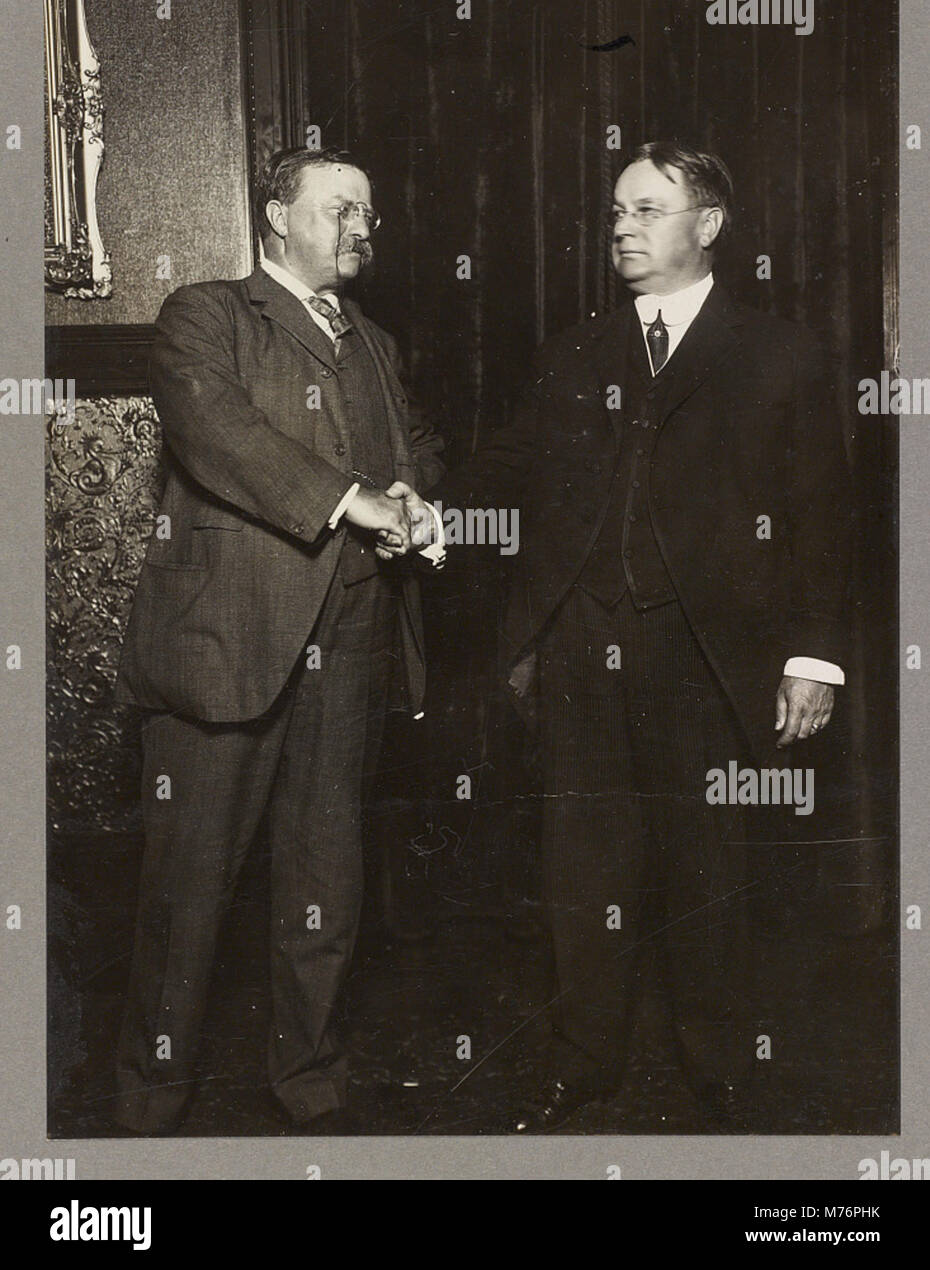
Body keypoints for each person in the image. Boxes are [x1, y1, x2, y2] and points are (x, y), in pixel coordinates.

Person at [388, 141, 850, 1132]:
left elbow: (821, 517)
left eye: (647, 210)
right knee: (580, 871)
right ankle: (583, 1066)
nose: (623, 229)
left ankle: (718, 1066)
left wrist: (811, 658)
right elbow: (503, 468)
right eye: (615, 214)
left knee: (708, 868)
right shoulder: (578, 352)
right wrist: (427, 514)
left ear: (709, 224)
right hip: (578, 653)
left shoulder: (781, 354)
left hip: (707, 661)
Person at [113, 146, 444, 1134]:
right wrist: (352, 498)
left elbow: (417, 444)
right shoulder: (205, 314)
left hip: (350, 637)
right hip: (227, 645)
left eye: (369, 214)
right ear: (274, 217)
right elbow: (218, 433)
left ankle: (313, 1085)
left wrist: (422, 500)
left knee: (325, 877)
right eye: (340, 207)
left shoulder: (376, 343)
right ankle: (148, 1108)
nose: (362, 228)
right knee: (187, 893)